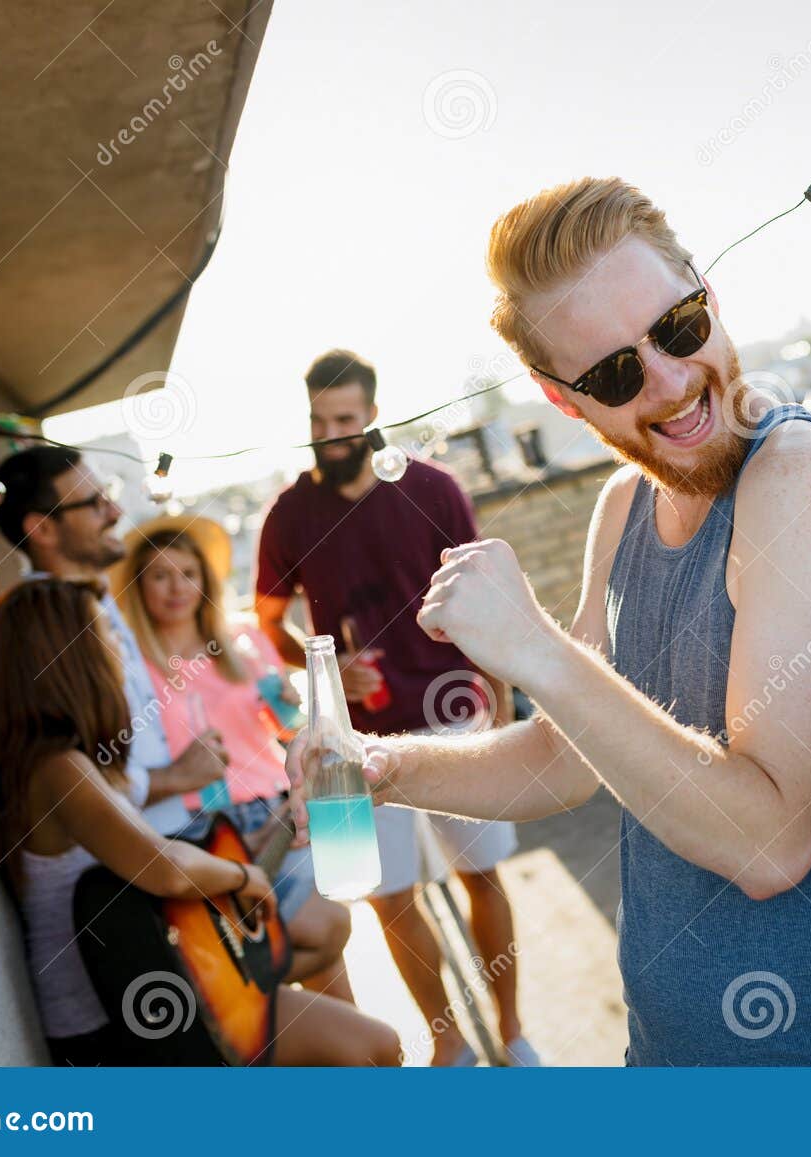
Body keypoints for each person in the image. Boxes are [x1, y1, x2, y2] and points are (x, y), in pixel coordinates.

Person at [290, 177, 811, 1065]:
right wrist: (383, 767)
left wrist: (534, 650)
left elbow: (769, 839)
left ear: (708, 293)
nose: (671, 383)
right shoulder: (623, 504)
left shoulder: (801, 483)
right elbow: (567, 755)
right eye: (614, 371)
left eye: (678, 327)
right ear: (562, 398)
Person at [0, 577, 401, 1067]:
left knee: (307, 959)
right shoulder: (57, 768)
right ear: (66, 660)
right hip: (112, 1022)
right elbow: (166, 868)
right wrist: (246, 877)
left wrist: (270, 833)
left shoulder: (52, 762)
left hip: (146, 986)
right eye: (104, 635)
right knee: (376, 1049)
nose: (119, 649)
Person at [256, 349, 537, 1066]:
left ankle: (511, 1033)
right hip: (353, 738)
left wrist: (500, 701)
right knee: (390, 896)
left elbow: (482, 596)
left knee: (482, 874)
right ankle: (447, 1042)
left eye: (345, 419)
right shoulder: (289, 514)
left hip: (456, 716)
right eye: (319, 420)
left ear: (373, 416)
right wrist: (320, 665)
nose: (331, 434)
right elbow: (268, 619)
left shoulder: (433, 488)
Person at [111, 515, 355, 1000]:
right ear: (139, 587)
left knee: (325, 944)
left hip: (280, 810)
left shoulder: (241, 638)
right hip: (205, 829)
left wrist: (289, 699)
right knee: (276, 942)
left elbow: (285, 727)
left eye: (188, 573)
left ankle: (358, 1057)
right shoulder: (130, 664)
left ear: (205, 580)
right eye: (159, 575)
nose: (176, 587)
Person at [0, 446, 223, 837]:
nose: (115, 512)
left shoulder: (93, 600)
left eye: (108, 494)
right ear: (43, 528)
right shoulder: (47, 628)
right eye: (95, 503)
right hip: (133, 869)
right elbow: (70, 774)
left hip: (174, 836)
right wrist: (177, 775)